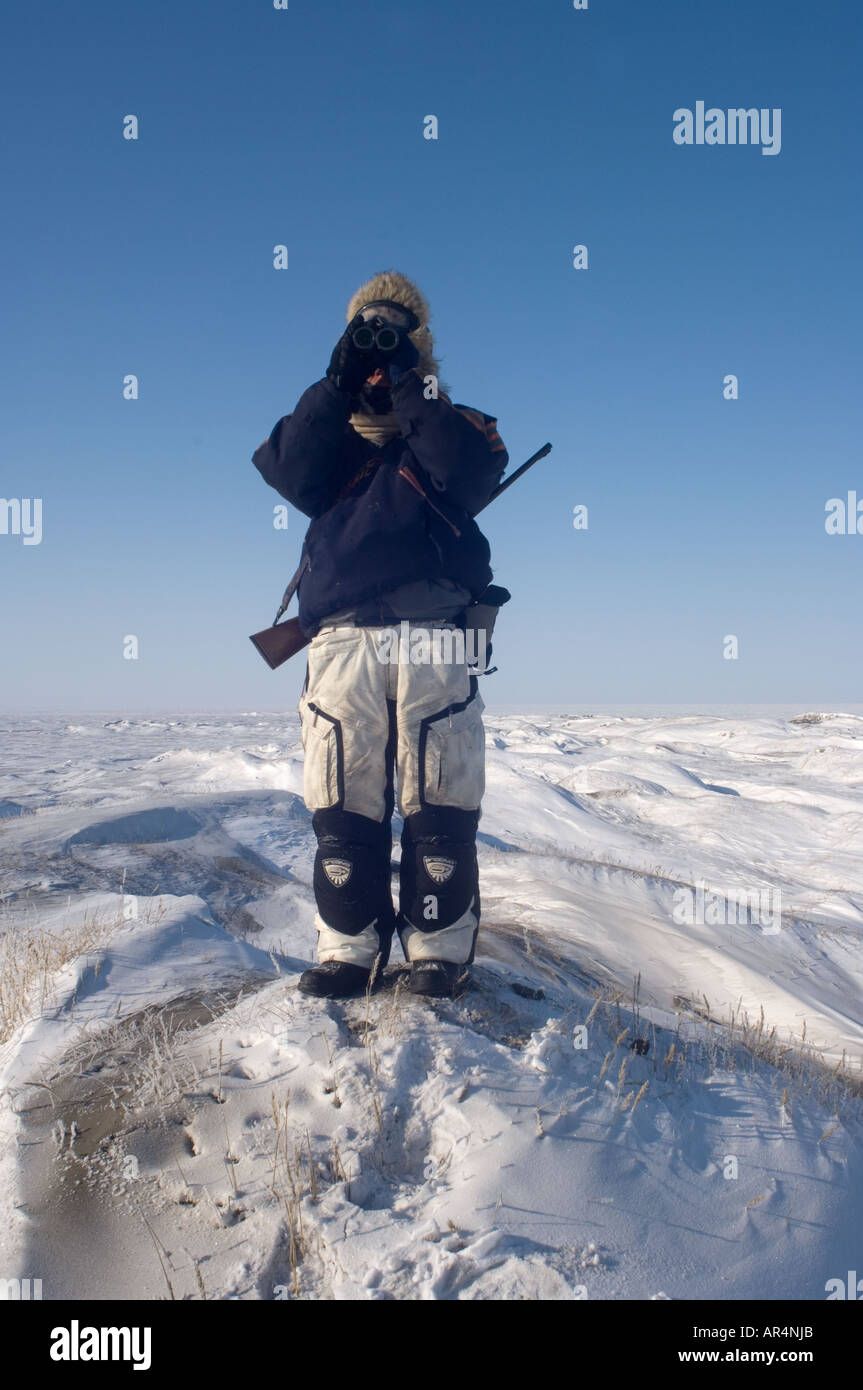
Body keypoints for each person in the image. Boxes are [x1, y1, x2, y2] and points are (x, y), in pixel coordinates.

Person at [252, 271, 507, 999]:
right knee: (342, 801)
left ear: (421, 343)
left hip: (436, 636)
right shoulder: (330, 441)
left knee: (439, 797)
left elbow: (465, 475)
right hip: (341, 640)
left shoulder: (456, 425)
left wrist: (410, 379)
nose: (378, 341)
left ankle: (436, 953)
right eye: (365, 327)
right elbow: (286, 470)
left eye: (396, 327)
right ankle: (347, 952)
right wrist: (335, 382)